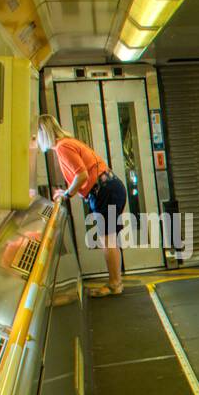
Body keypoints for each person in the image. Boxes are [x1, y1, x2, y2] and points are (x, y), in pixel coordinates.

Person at [36, 114, 127, 296]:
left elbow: (82, 175)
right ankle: (116, 282)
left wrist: (67, 194)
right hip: (108, 187)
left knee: (107, 240)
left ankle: (115, 284)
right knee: (109, 239)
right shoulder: (68, 143)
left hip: (104, 191)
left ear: (43, 132)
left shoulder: (62, 147)